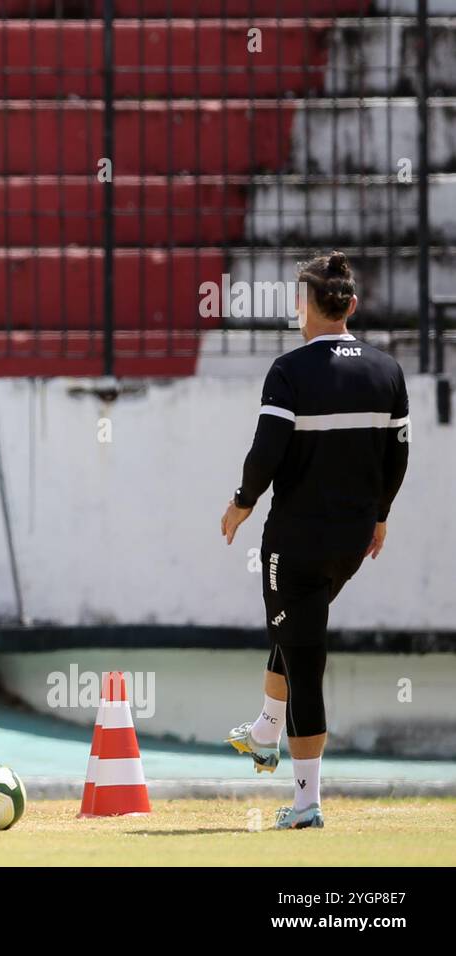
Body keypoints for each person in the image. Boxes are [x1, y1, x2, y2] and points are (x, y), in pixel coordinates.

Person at [220, 251, 409, 829]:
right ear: (351, 305)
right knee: (295, 628)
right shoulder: (387, 371)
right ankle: (263, 732)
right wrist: (380, 517)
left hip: (295, 541)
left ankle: (305, 804)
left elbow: (267, 453)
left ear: (307, 306)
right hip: (350, 542)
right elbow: (397, 457)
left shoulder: (289, 371)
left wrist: (241, 503)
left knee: (304, 658)